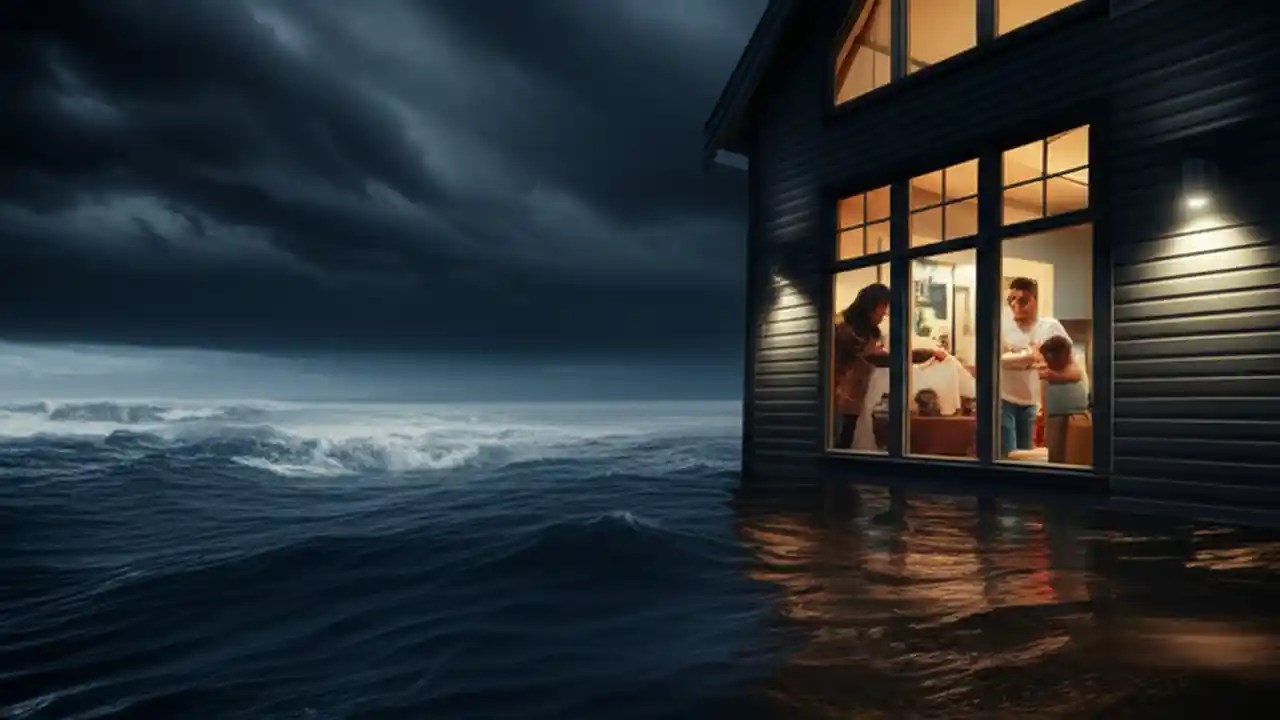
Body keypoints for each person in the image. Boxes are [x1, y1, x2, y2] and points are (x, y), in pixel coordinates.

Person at [999, 277, 1069, 457]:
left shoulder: (1050, 326)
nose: (1016, 305)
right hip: (1003, 398)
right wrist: (1030, 357)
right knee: (1009, 455)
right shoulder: (1002, 325)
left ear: (1035, 300)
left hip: (1030, 401)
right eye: (1011, 300)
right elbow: (995, 359)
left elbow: (1067, 356)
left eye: (1023, 300)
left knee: (1026, 456)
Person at [832, 283, 891, 449]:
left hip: (855, 398)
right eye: (882, 307)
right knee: (838, 443)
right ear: (871, 306)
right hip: (839, 398)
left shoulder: (871, 332)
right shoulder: (843, 328)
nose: (883, 313)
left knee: (847, 440)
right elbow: (860, 355)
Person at [1039, 335, 1090, 464]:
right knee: (1057, 458)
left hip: (1077, 417)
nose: (1046, 361)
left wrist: (1054, 376)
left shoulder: (1073, 367)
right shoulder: (1049, 373)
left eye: (1048, 357)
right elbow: (1045, 399)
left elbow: (1075, 375)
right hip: (1055, 417)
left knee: (1077, 456)